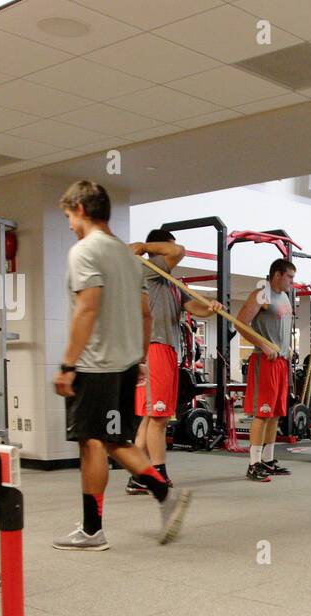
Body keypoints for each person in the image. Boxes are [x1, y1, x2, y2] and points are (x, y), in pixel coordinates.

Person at [53, 180, 191, 550]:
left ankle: (93, 529)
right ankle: (164, 494)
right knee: (114, 440)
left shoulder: (86, 251)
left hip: (94, 364)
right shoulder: (131, 259)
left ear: (81, 209)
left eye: (68, 215)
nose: (69, 224)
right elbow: (145, 314)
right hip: (126, 364)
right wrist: (140, 358)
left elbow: (88, 306)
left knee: (92, 443)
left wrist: (68, 364)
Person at [124, 230, 223, 495]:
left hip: (167, 350)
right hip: (154, 347)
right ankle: (157, 474)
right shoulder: (151, 270)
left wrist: (211, 308)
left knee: (150, 417)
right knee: (158, 418)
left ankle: (138, 476)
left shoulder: (171, 281)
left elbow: (195, 309)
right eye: (168, 247)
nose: (174, 252)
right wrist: (145, 246)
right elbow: (178, 251)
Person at [235, 258, 295, 482]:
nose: (291, 281)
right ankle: (253, 464)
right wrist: (263, 344)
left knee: (276, 413)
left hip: (281, 362)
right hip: (264, 361)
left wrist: (285, 346)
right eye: (289, 277)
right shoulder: (262, 293)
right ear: (277, 275)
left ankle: (268, 461)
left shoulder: (285, 297)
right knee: (263, 413)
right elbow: (240, 322)